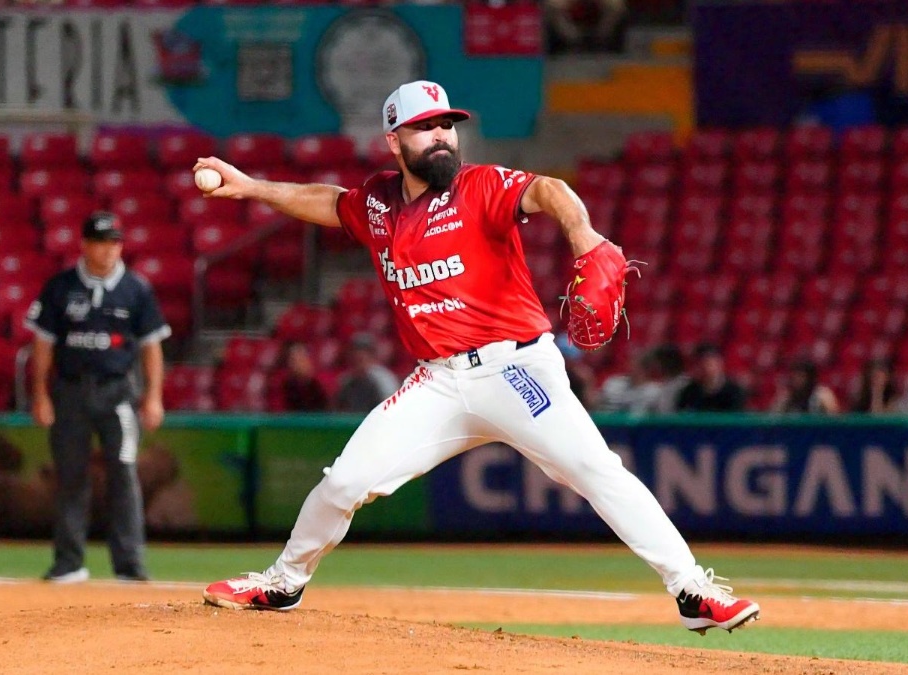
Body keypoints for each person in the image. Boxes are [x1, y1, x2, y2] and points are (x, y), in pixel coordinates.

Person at [195, 80, 759, 634]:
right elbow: (330, 202)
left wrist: (585, 238)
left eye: (447, 125)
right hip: (436, 383)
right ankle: (284, 581)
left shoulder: (481, 187)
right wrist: (251, 187)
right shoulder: (378, 204)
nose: (441, 136)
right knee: (343, 483)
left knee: (594, 469)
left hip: (514, 370)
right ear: (394, 141)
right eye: (425, 128)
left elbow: (551, 191)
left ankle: (692, 589)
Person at [25, 211, 171, 583]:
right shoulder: (60, 287)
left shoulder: (136, 289)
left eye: (114, 243)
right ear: (84, 245)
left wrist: (153, 397)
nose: (108, 251)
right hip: (70, 391)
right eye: (101, 243)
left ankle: (130, 565)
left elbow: (151, 347)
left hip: (118, 393)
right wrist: (40, 394)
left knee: (123, 473)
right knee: (71, 476)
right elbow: (42, 345)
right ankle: (69, 562)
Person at [331, 332, 400, 412]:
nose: (359, 355)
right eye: (356, 352)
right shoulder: (346, 379)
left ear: (372, 354)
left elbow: (392, 408)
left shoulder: (384, 378)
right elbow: (336, 409)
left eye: (364, 353)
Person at [676, 343, 748, 412]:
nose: (705, 368)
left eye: (709, 364)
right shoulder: (688, 393)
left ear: (719, 364)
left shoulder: (735, 393)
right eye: (701, 364)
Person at [268, 342, 329, 412]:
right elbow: (279, 412)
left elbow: (326, 411)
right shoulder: (283, 384)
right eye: (293, 360)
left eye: (301, 359)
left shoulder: (318, 385)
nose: (297, 364)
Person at [770, 359, 841, 415]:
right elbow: (774, 419)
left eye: (801, 376)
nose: (797, 380)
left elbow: (835, 420)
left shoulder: (823, 395)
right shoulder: (787, 396)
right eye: (795, 376)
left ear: (810, 378)